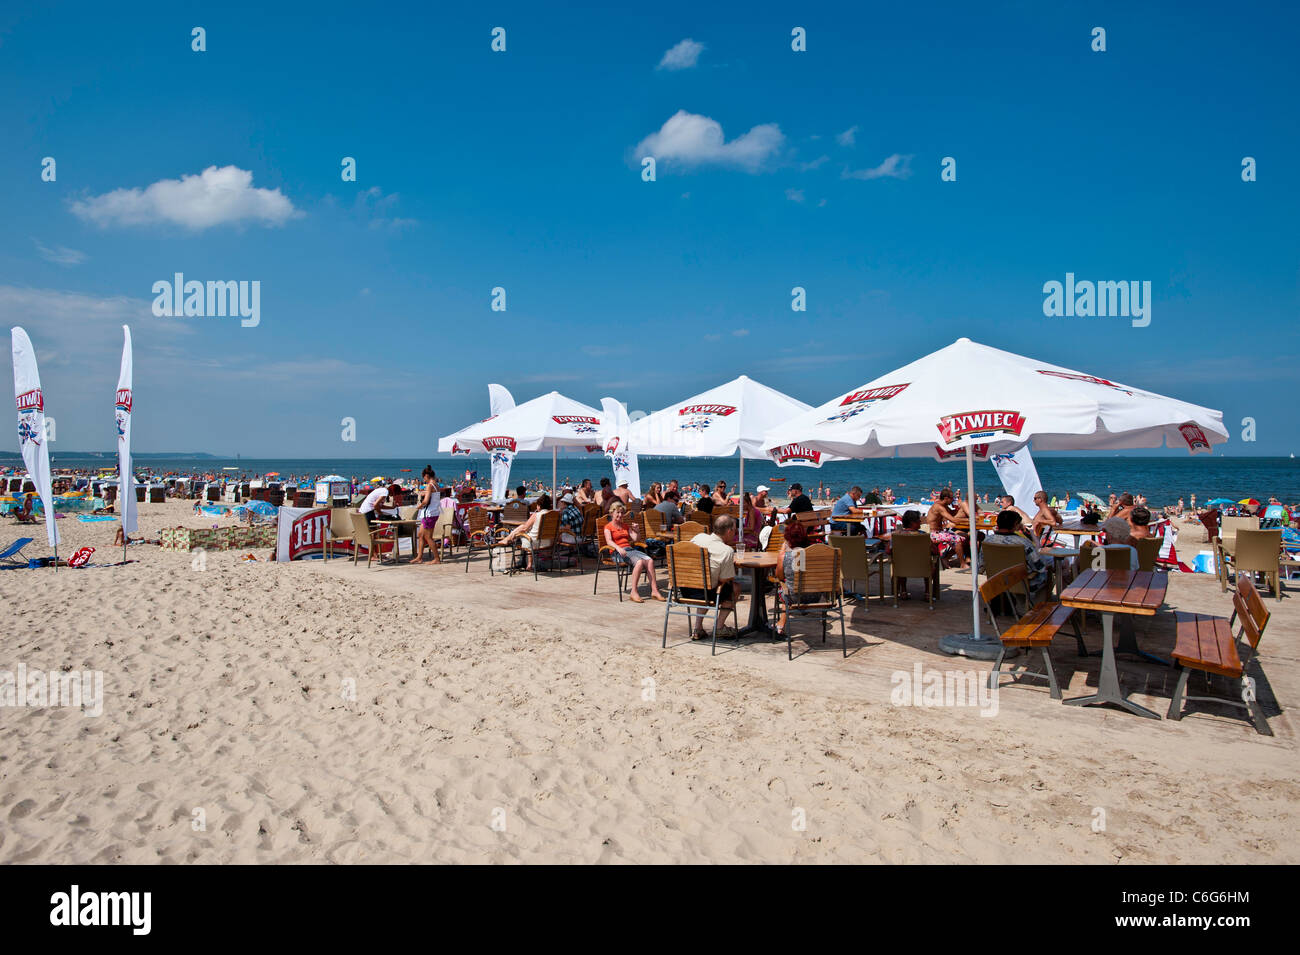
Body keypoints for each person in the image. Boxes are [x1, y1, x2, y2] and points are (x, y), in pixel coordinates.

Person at [688, 514, 739, 637]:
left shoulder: (698, 538)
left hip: (685, 588)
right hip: (704, 593)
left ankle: (697, 628)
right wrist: (732, 569)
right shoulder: (726, 551)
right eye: (735, 530)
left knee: (705, 582)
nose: (735, 533)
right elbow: (724, 580)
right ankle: (719, 627)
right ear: (729, 531)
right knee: (734, 587)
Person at [602, 502, 663, 602]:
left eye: (622, 513)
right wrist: (618, 548)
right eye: (618, 512)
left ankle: (655, 591)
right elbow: (609, 541)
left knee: (650, 560)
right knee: (639, 562)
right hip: (617, 553)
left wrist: (637, 530)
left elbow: (636, 539)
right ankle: (634, 592)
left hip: (629, 550)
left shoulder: (624, 526)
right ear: (612, 513)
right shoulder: (608, 527)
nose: (620, 515)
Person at [981, 510, 1050, 593]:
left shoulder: (987, 540)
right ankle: (1036, 604)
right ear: (1015, 525)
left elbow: (981, 566)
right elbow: (1039, 566)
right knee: (1046, 574)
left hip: (996, 583)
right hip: (1021, 584)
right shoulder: (1023, 543)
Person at [772, 519, 818, 638]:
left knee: (785, 588)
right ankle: (781, 625)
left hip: (794, 597)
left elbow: (779, 576)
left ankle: (780, 626)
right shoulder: (816, 554)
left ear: (788, 537)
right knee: (791, 587)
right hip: (816, 596)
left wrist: (784, 547)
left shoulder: (786, 556)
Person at [502, 493, 556, 571]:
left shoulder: (536, 515)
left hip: (534, 542)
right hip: (548, 542)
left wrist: (515, 534)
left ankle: (508, 539)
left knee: (522, 529)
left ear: (539, 505)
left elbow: (525, 528)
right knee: (525, 531)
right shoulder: (554, 514)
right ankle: (529, 564)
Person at [880, 509, 926, 599]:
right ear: (912, 523)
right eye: (918, 520)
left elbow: (888, 551)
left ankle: (903, 590)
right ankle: (928, 592)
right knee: (932, 564)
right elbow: (935, 551)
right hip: (922, 567)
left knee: (901, 561)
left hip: (901, 568)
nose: (920, 522)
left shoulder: (896, 536)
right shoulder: (923, 535)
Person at [926, 489, 971, 568]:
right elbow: (953, 519)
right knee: (957, 539)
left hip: (940, 532)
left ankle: (946, 558)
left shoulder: (944, 506)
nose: (953, 499)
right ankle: (963, 564)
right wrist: (969, 519)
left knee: (965, 537)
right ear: (946, 498)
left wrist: (962, 508)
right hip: (933, 533)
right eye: (952, 498)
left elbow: (953, 513)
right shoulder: (939, 507)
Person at [411, 468, 442, 564]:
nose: (423, 480)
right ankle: (419, 557)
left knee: (428, 537)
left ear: (426, 476)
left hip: (429, 514)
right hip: (432, 513)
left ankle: (437, 558)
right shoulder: (436, 485)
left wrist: (418, 507)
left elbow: (425, 501)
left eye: (424, 478)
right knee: (420, 535)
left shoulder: (430, 486)